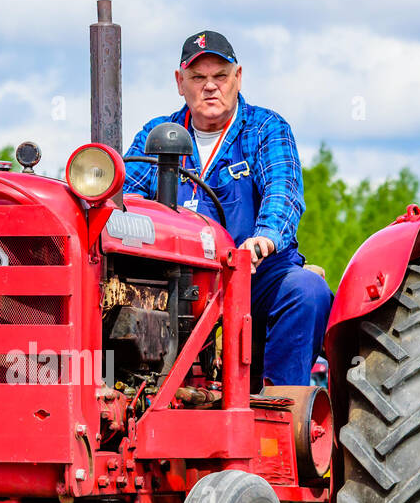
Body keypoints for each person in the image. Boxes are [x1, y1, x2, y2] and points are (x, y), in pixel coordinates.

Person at [123, 30, 333, 388]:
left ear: (238, 77)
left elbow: (283, 192)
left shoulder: (266, 128)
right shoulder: (156, 135)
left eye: (220, 76)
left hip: (253, 276)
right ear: (179, 82)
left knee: (306, 291)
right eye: (198, 77)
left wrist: (264, 238)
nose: (210, 87)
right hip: (171, 284)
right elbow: (124, 197)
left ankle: (280, 405)